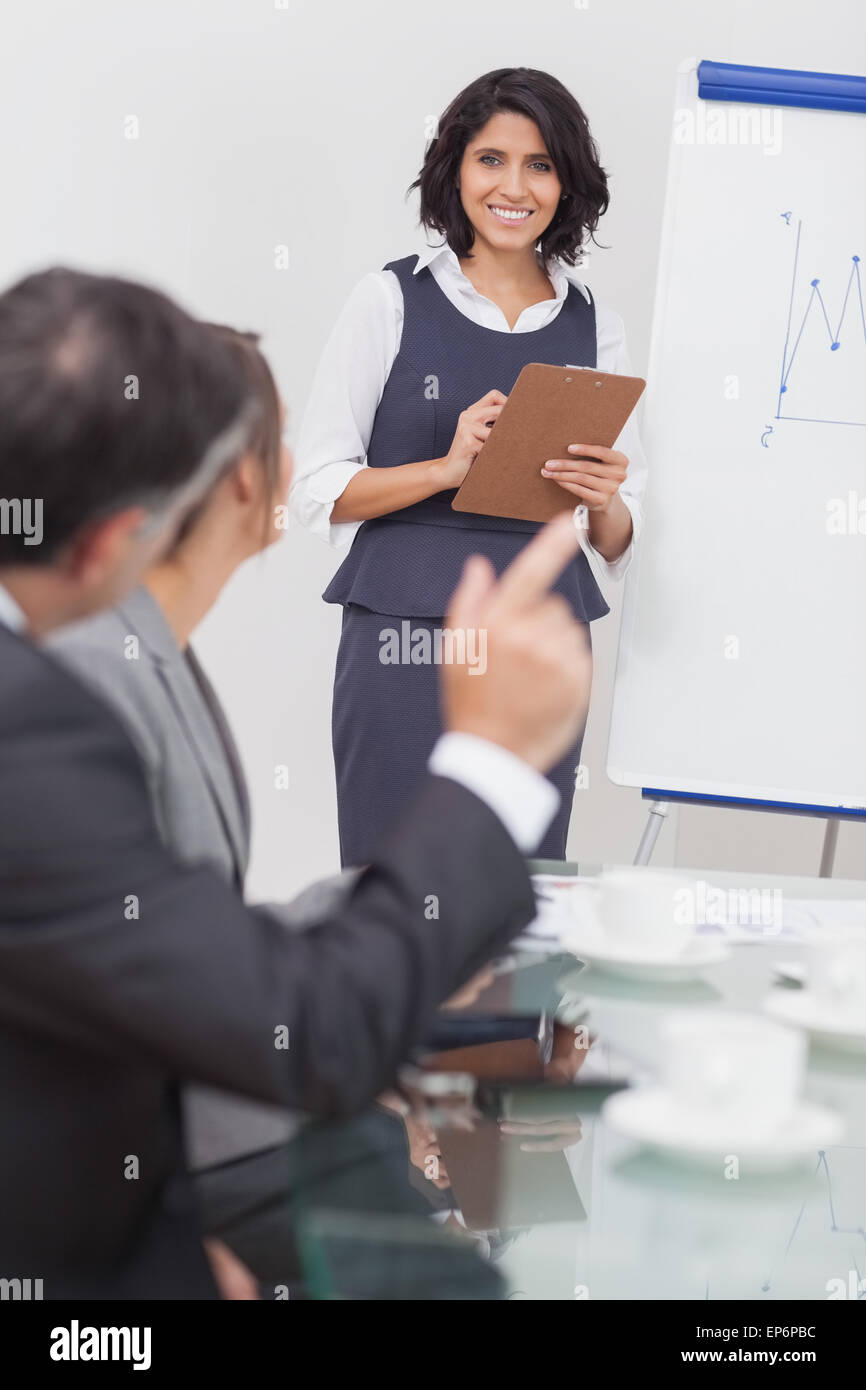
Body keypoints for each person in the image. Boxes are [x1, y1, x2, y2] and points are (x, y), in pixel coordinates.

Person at [0, 266, 591, 1298]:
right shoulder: (55, 703)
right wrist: (493, 761)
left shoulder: (98, 669)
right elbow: (288, 1023)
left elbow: (151, 934)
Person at [291, 66, 648, 868]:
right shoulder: (387, 301)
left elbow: (625, 538)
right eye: (490, 159)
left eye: (540, 164)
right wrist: (443, 469)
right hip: (402, 635)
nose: (513, 186)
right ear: (456, 170)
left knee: (517, 898)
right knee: (392, 885)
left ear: (567, 183)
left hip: (539, 640)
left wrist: (605, 502)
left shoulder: (597, 326)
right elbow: (317, 490)